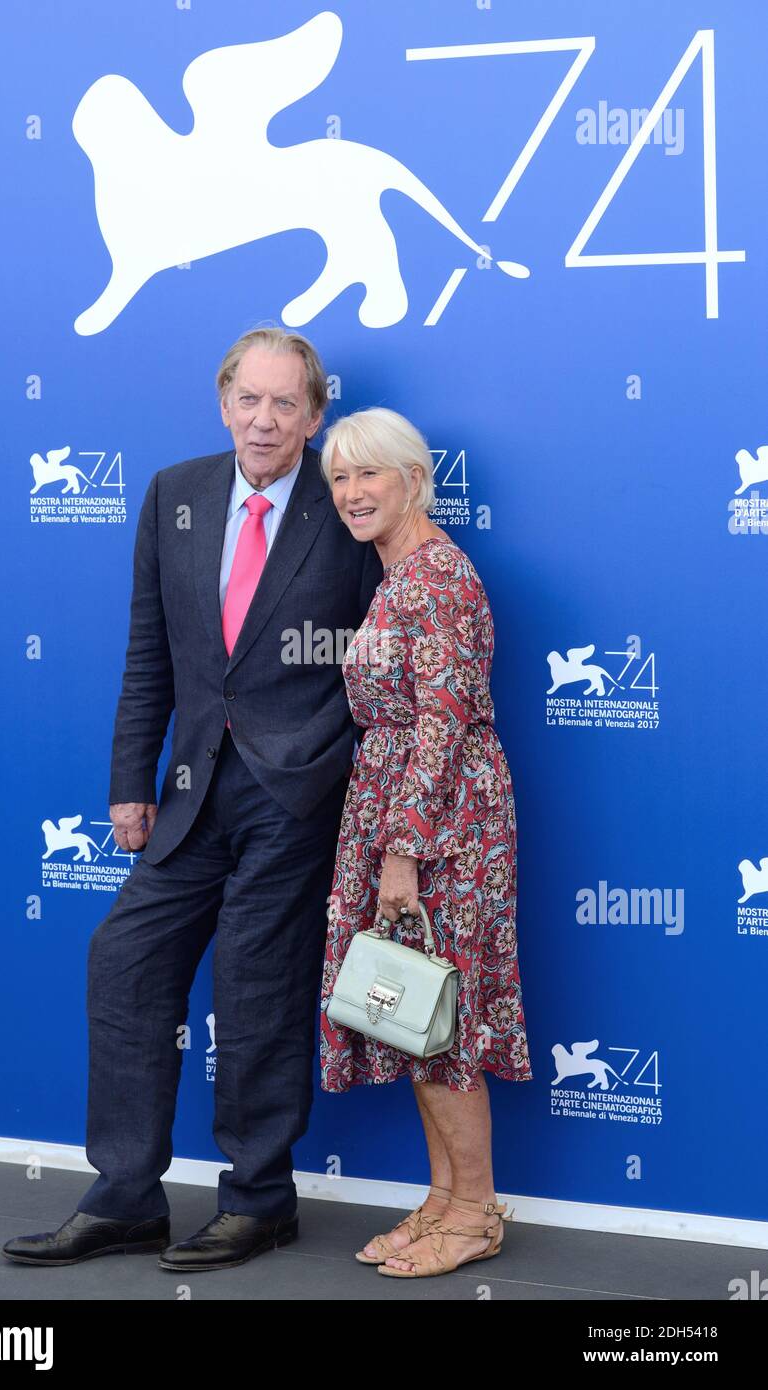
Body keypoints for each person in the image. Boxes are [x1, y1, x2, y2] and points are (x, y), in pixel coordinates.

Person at [2, 328, 382, 1272]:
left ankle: (259, 1200)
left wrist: (341, 766)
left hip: (295, 794)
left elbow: (388, 657)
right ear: (223, 403)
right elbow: (150, 654)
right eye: (249, 399)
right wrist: (130, 785)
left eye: (285, 403)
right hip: (188, 790)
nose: (264, 420)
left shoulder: (346, 503)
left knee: (258, 989)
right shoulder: (176, 493)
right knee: (123, 962)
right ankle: (126, 1197)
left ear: (315, 414)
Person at [318, 407, 532, 1278]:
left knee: (442, 1018)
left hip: (441, 824)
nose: (353, 492)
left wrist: (401, 849)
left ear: (414, 479)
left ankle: (475, 1213)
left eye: (369, 473)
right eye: (339, 477)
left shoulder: (437, 575)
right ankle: (444, 1199)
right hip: (404, 807)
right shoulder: (400, 572)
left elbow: (442, 723)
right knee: (412, 1008)